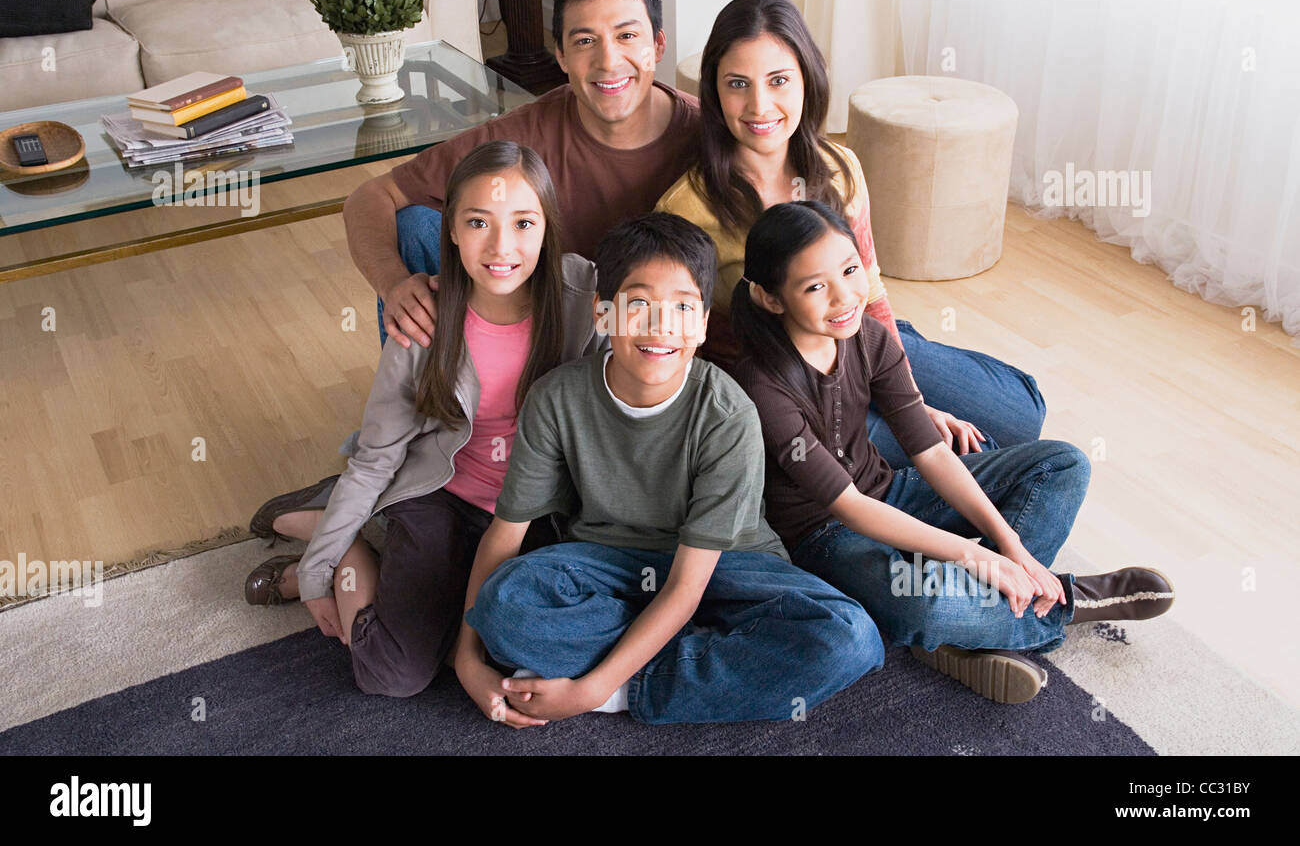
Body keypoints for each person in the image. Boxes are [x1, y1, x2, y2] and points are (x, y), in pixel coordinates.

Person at [248, 0, 700, 538]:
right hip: (532, 317)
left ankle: (401, 512)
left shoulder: (703, 136)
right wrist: (392, 281)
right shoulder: (531, 130)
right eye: (584, 40)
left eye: (627, 35)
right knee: (415, 224)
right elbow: (371, 196)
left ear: (657, 44)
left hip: (628, 346)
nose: (608, 60)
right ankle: (411, 446)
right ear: (559, 55)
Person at [730, 200, 1175, 703]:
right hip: (825, 536)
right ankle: (1067, 602)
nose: (844, 296)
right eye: (815, 287)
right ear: (771, 299)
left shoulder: (870, 337)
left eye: (850, 270)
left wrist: (1010, 547)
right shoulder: (760, 385)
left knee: (1063, 462)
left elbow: (932, 453)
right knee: (927, 603)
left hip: (891, 490)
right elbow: (848, 505)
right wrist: (973, 556)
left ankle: (976, 623)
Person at [452, 213, 882, 725]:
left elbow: (686, 585)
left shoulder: (728, 413)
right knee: (506, 604)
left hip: (727, 568)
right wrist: (466, 658)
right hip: (609, 564)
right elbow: (505, 536)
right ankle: (703, 660)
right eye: (638, 304)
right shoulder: (556, 398)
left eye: (682, 307)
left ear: (702, 324)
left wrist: (594, 689)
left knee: (848, 637)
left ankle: (631, 692)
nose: (661, 326)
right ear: (602, 314)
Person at [243, 141, 604, 697]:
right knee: (394, 675)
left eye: (524, 223)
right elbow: (377, 456)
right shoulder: (425, 320)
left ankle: (360, 534)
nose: (502, 246)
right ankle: (344, 539)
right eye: (479, 222)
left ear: (547, 228)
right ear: (452, 232)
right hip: (440, 494)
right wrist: (318, 572)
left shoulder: (583, 294)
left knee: (529, 652)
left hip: (533, 512)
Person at [655, 0, 1046, 468]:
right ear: (714, 92)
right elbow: (695, 343)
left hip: (859, 336)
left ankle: (914, 352)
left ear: (807, 81)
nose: (760, 105)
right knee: (974, 456)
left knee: (1023, 416)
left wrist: (909, 398)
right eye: (738, 84)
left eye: (779, 80)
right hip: (785, 382)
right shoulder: (685, 208)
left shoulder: (840, 168)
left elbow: (871, 283)